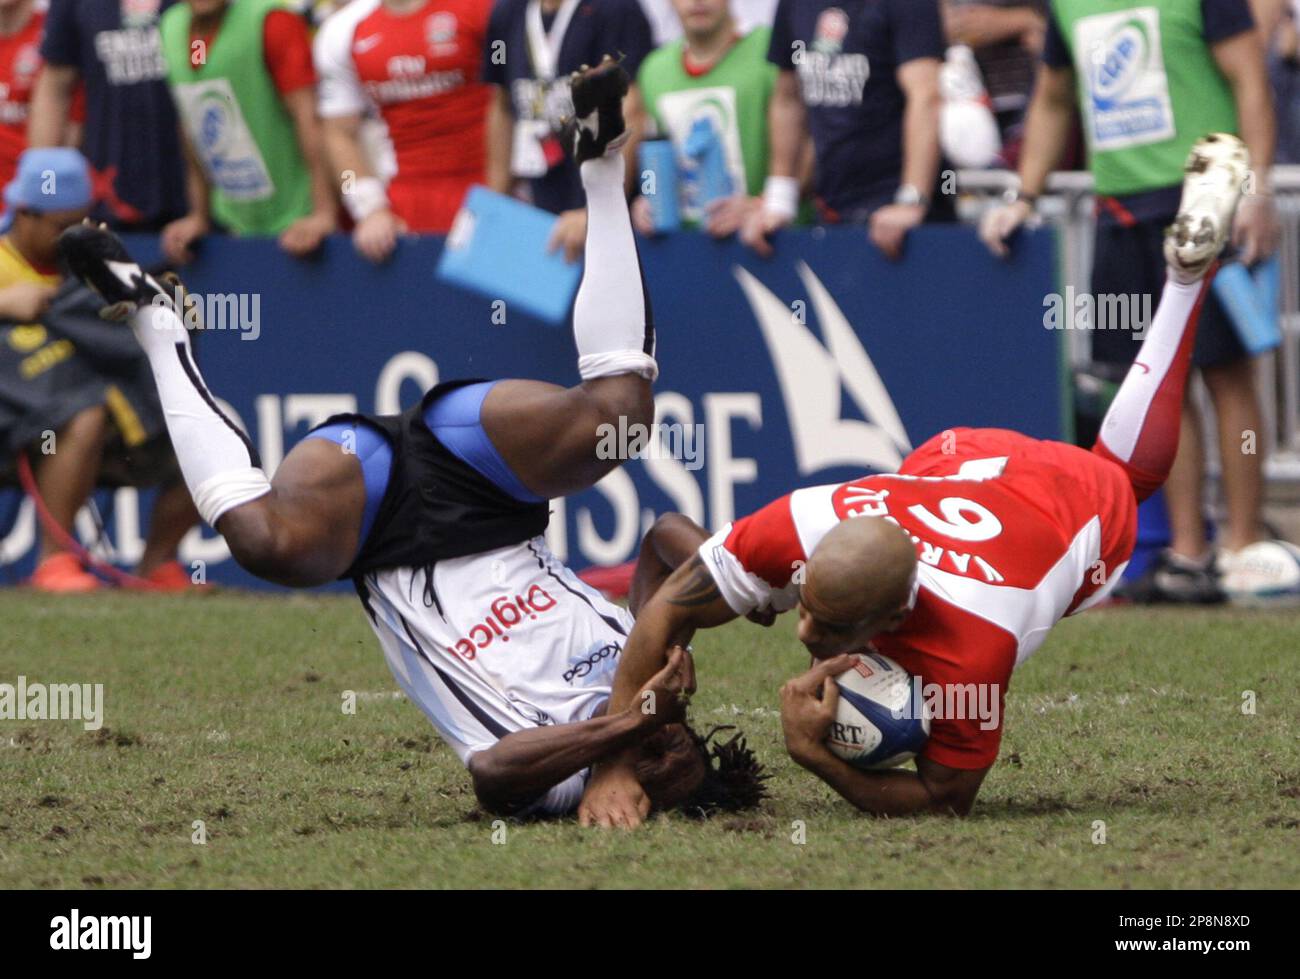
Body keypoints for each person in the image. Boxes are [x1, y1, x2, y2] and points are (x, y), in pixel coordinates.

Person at [57, 60, 764, 816]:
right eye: (680, 741)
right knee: (620, 416)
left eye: (656, 764)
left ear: (634, 795)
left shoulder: (559, 775)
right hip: (487, 486)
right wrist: (746, 581)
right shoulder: (656, 678)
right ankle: (599, 160)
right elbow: (661, 538)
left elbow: (492, 774)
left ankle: (156, 325)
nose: (663, 740)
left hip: (380, 525)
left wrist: (627, 729)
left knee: (267, 544)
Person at [578, 134, 1247, 825]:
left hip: (1054, 496)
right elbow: (668, 606)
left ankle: (1183, 285)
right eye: (805, 601)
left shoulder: (974, 647)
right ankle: (1186, 280)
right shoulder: (806, 517)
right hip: (953, 464)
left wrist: (819, 758)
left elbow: (946, 798)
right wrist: (613, 762)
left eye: (829, 624)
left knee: (1123, 474)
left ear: (896, 617)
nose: (800, 627)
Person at [979, 0, 1278, 604]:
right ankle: (1189, 555)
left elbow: (1250, 77)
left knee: (1227, 377)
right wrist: (1023, 196)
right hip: (1121, 212)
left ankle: (1244, 551)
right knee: (1157, 386)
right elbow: (1053, 100)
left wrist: (1257, 189)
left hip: (1206, 199)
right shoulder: (1064, 5)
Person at [0, 148, 201, 592]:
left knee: (205, 426)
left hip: (105, 422)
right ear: (24, 214)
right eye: (60, 228)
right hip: (18, 424)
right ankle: (53, 564)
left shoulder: (93, 263)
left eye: (82, 224)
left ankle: (157, 565)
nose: (72, 237)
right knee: (83, 416)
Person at [741, 0, 946, 259]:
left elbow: (926, 95)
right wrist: (779, 199)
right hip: (830, 209)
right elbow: (788, 98)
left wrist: (912, 200)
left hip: (900, 215)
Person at [158, 0, 337, 262]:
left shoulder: (273, 21)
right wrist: (199, 215)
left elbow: (309, 118)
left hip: (299, 221)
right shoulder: (174, 27)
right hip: (234, 225)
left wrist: (324, 213)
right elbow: (191, 111)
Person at [314, 0, 494, 260]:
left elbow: (509, 104)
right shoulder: (341, 31)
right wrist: (368, 208)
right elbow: (338, 133)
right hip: (406, 202)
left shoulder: (484, 9)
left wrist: (503, 193)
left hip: (489, 187)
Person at [483, 0, 653, 261]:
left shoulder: (616, 9)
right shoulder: (507, 13)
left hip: (607, 225)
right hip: (537, 217)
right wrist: (497, 203)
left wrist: (597, 209)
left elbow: (630, 111)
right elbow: (503, 106)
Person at [31, 0, 188, 231]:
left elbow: (204, 68)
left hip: (195, 206)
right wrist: (45, 189)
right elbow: (55, 91)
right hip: (106, 205)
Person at [632, 0, 777, 238]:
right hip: (686, 251)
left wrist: (764, 205)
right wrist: (647, 199)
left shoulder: (772, 49)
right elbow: (652, 160)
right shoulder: (653, 70)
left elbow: (809, 146)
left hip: (768, 244)